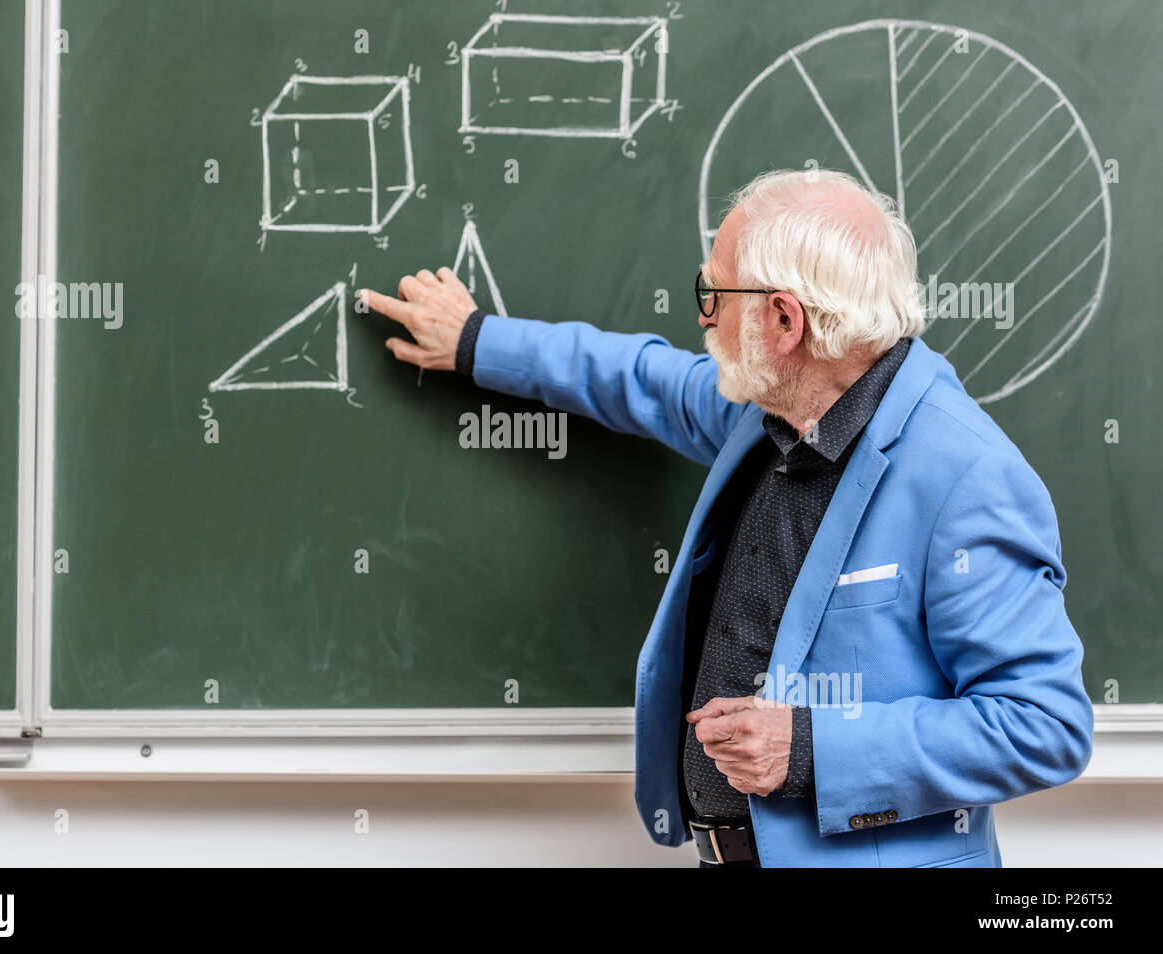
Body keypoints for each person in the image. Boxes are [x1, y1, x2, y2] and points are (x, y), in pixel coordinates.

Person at [357, 168, 1095, 867]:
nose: (704, 317)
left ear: (782, 318)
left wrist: (808, 748)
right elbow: (640, 377)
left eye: (714, 296)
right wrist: (477, 339)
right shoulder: (768, 410)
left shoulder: (966, 476)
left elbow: (1046, 725)